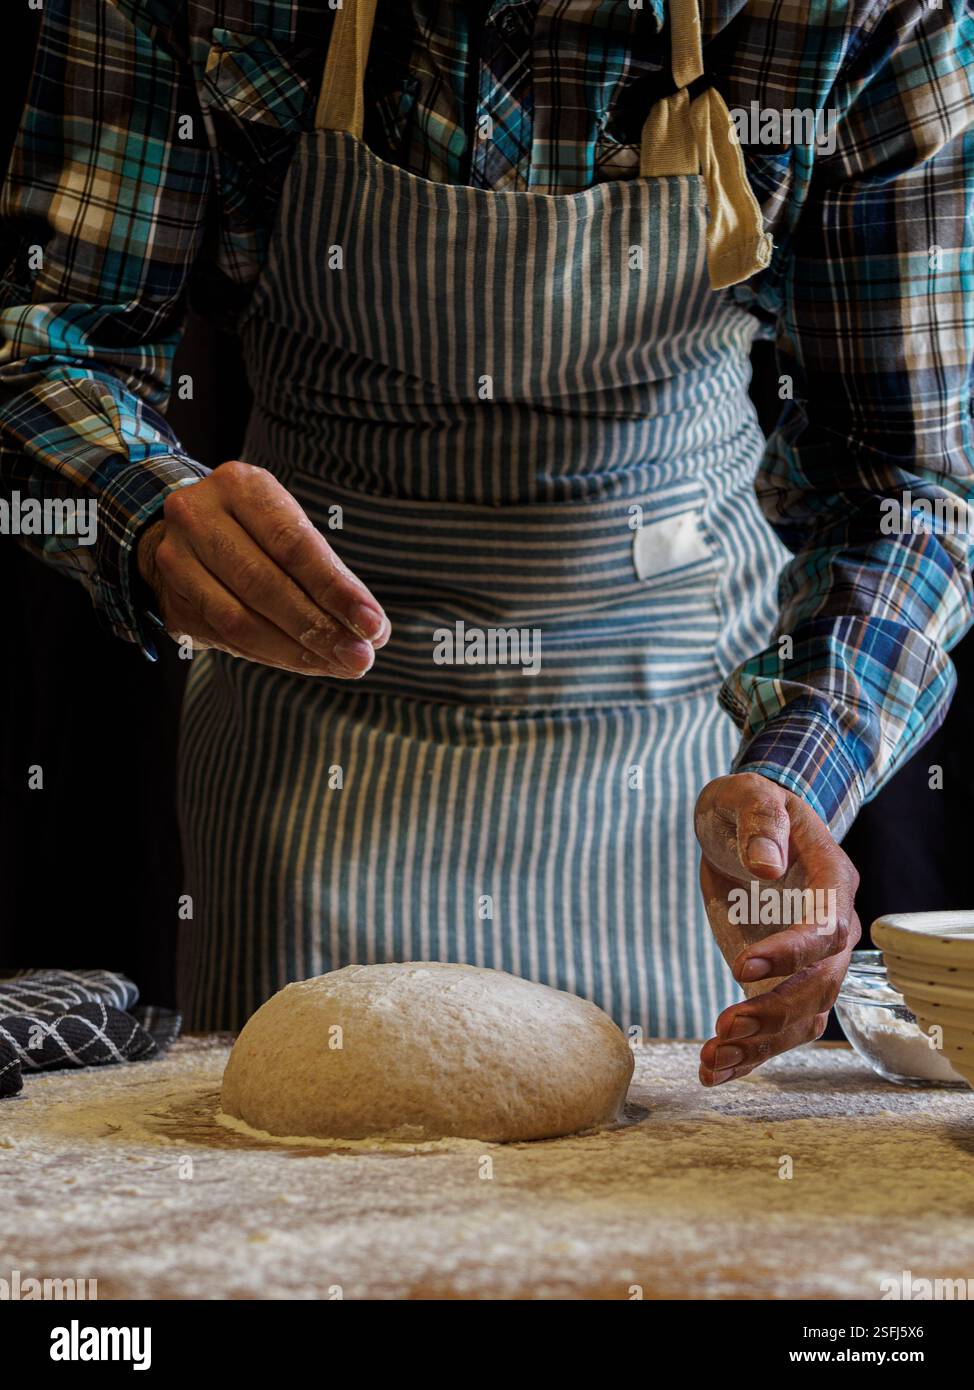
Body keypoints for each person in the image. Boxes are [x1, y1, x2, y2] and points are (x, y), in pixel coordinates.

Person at [2, 1, 972, 1087]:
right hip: (315, 756)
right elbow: (46, 345)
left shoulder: (858, 14)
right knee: (305, 1186)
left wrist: (799, 776)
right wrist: (141, 511)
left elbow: (903, 483)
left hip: (685, 761)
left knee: (660, 1202)